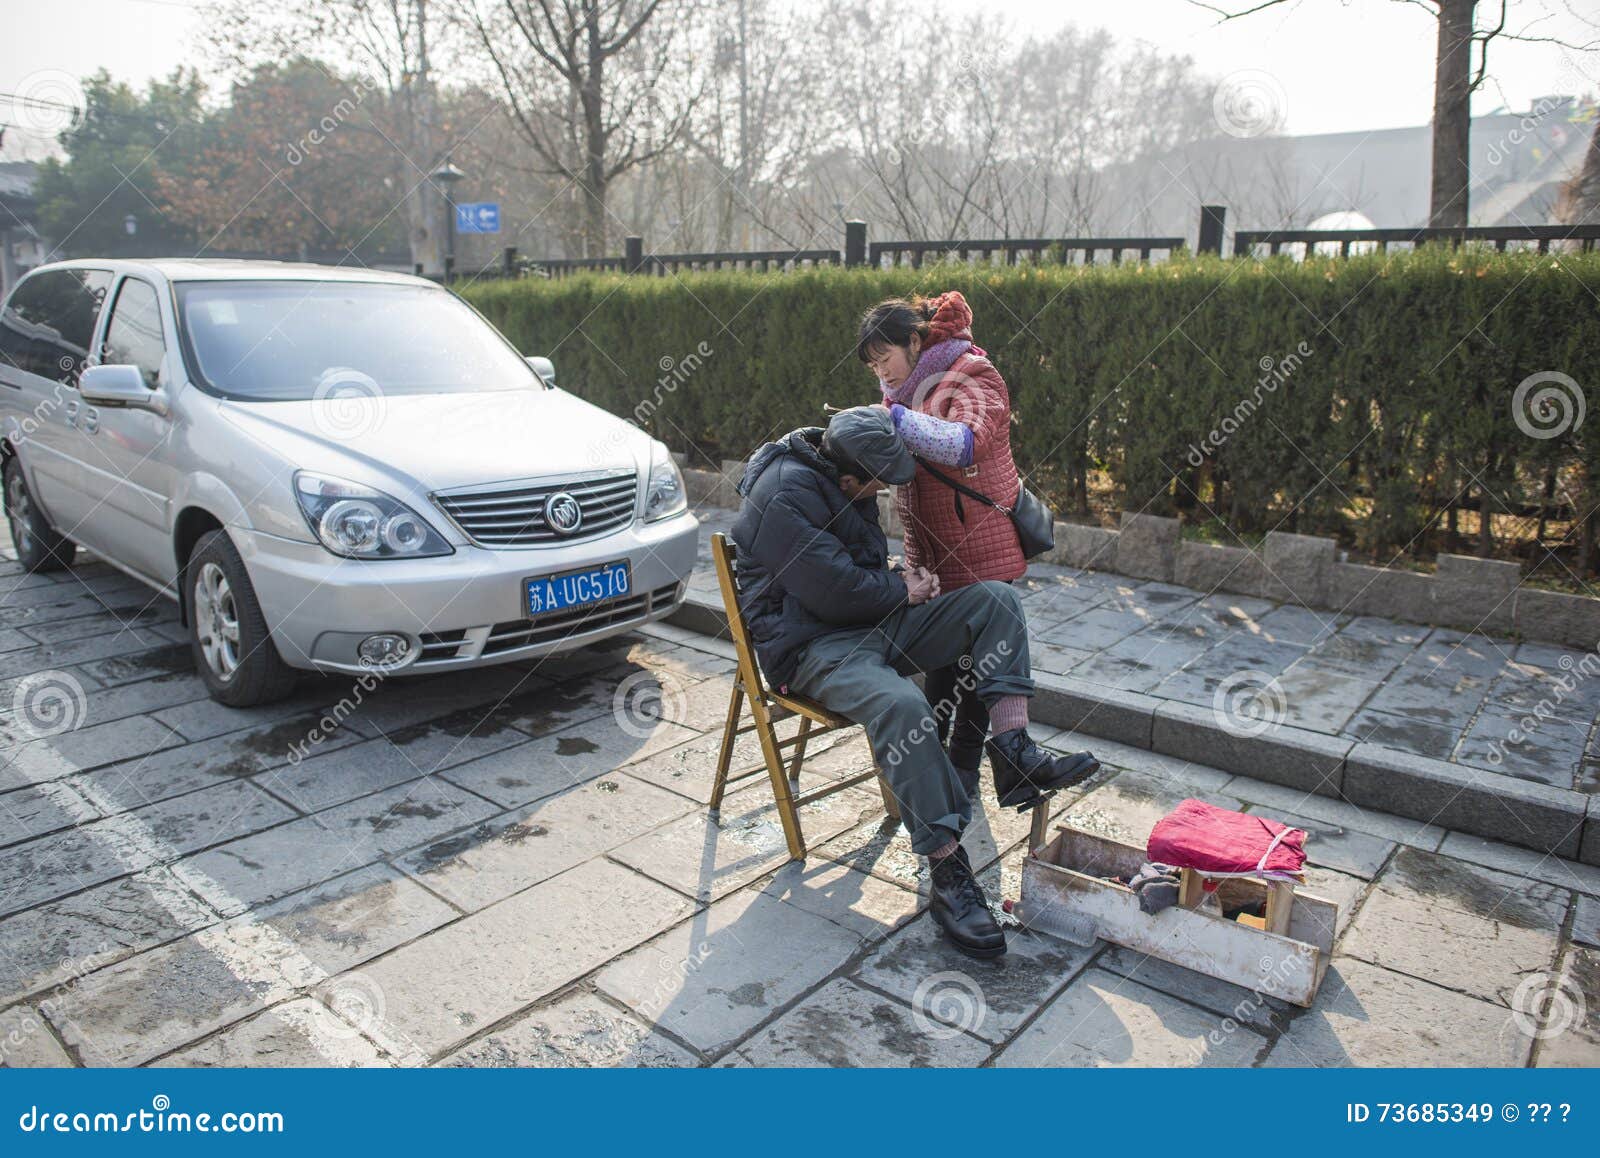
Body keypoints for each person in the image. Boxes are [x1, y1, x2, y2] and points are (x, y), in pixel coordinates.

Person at [729, 406, 1098, 958]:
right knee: (904, 705)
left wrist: (898, 577)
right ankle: (947, 869)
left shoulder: (840, 477)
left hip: (868, 622)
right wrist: (904, 591)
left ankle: (1014, 752)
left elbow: (852, 571)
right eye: (878, 484)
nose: (883, 493)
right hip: (814, 647)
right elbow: (831, 590)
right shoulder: (783, 495)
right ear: (851, 476)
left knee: (994, 601)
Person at [858, 291, 1027, 800]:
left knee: (973, 671)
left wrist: (893, 422)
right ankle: (939, 773)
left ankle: (964, 773)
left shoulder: (972, 373)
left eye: (884, 358)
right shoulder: (903, 391)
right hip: (930, 550)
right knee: (944, 666)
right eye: (872, 365)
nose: (881, 373)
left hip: (978, 543)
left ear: (913, 341)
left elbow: (965, 442)